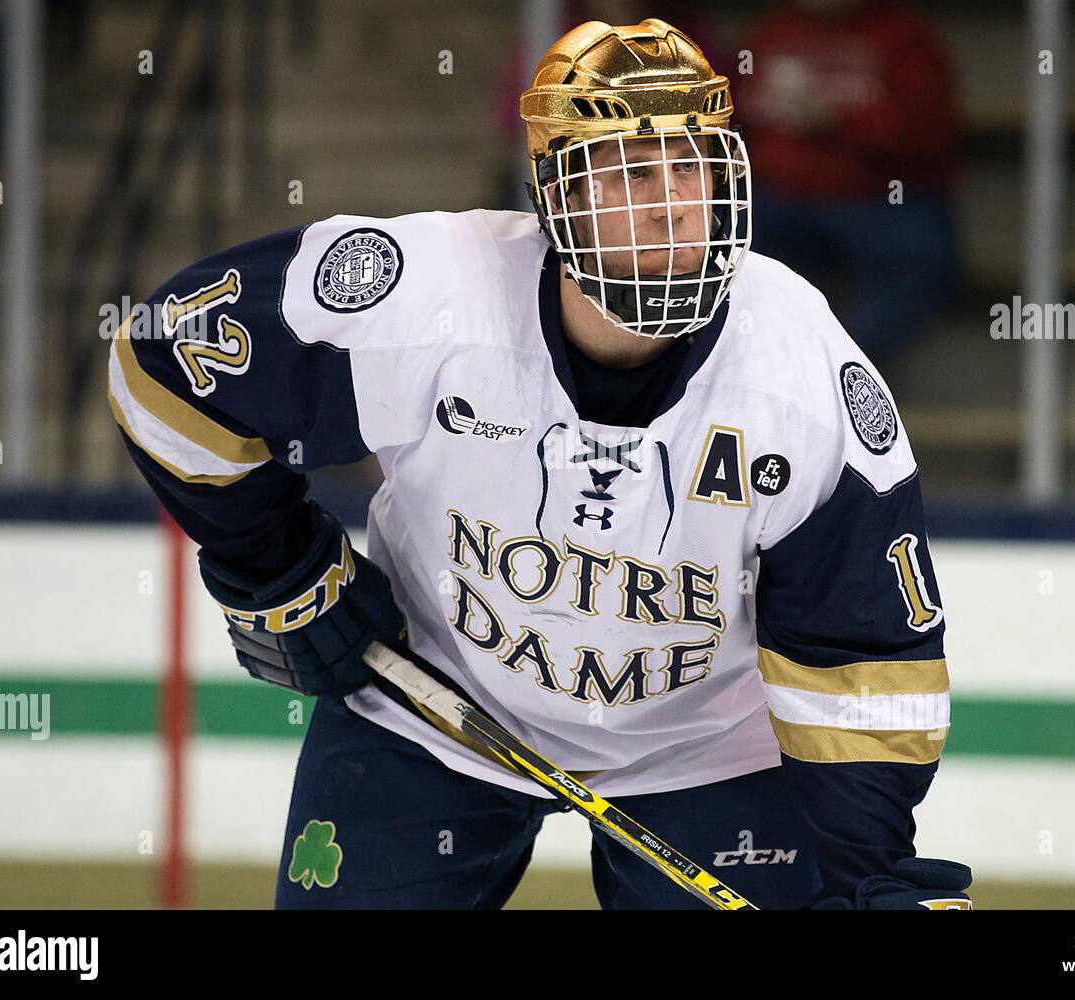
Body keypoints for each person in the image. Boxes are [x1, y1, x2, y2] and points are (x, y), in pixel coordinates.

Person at [109, 18, 970, 910]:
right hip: (428, 700)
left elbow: (863, 651)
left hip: (709, 751)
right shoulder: (430, 300)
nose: (675, 201)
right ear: (556, 196)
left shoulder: (799, 376)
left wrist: (868, 872)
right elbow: (167, 354)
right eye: (633, 171)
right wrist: (279, 567)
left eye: (693, 166)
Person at [736, 0, 960, 366]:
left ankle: (837, 373)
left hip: (881, 200)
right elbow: (738, 127)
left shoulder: (903, 36)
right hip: (782, 200)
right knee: (731, 252)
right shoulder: (772, 31)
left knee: (920, 259)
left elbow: (929, 134)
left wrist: (838, 120)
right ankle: (770, 371)